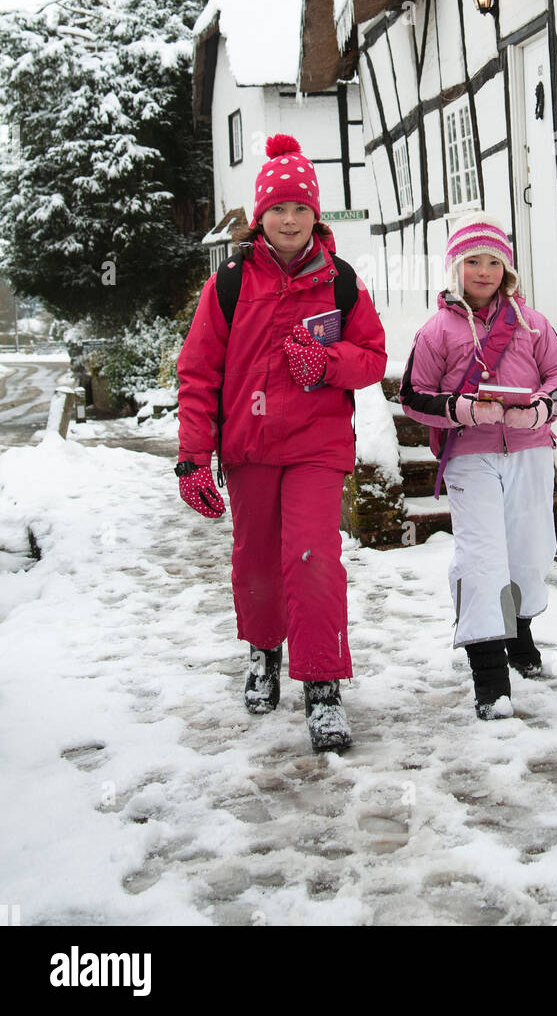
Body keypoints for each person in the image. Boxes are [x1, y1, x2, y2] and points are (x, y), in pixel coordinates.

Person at [174, 134, 387, 752]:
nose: (289, 220)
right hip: (248, 446)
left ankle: (322, 686)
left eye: (300, 208)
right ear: (259, 216)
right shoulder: (229, 285)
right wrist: (192, 457)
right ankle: (263, 652)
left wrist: (326, 363)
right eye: (277, 209)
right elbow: (198, 373)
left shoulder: (341, 282)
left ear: (315, 215)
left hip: (317, 448)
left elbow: (372, 358)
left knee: (314, 558)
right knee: (259, 560)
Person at [400, 211, 557, 719]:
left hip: (531, 450)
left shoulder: (532, 322)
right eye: (473, 261)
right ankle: (490, 679)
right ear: (455, 267)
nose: (483, 271)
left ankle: (520, 644)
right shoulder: (436, 331)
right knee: (482, 557)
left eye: (493, 261)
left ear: (507, 268)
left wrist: (543, 407)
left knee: (529, 549)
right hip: (470, 456)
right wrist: (463, 410)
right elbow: (413, 395)